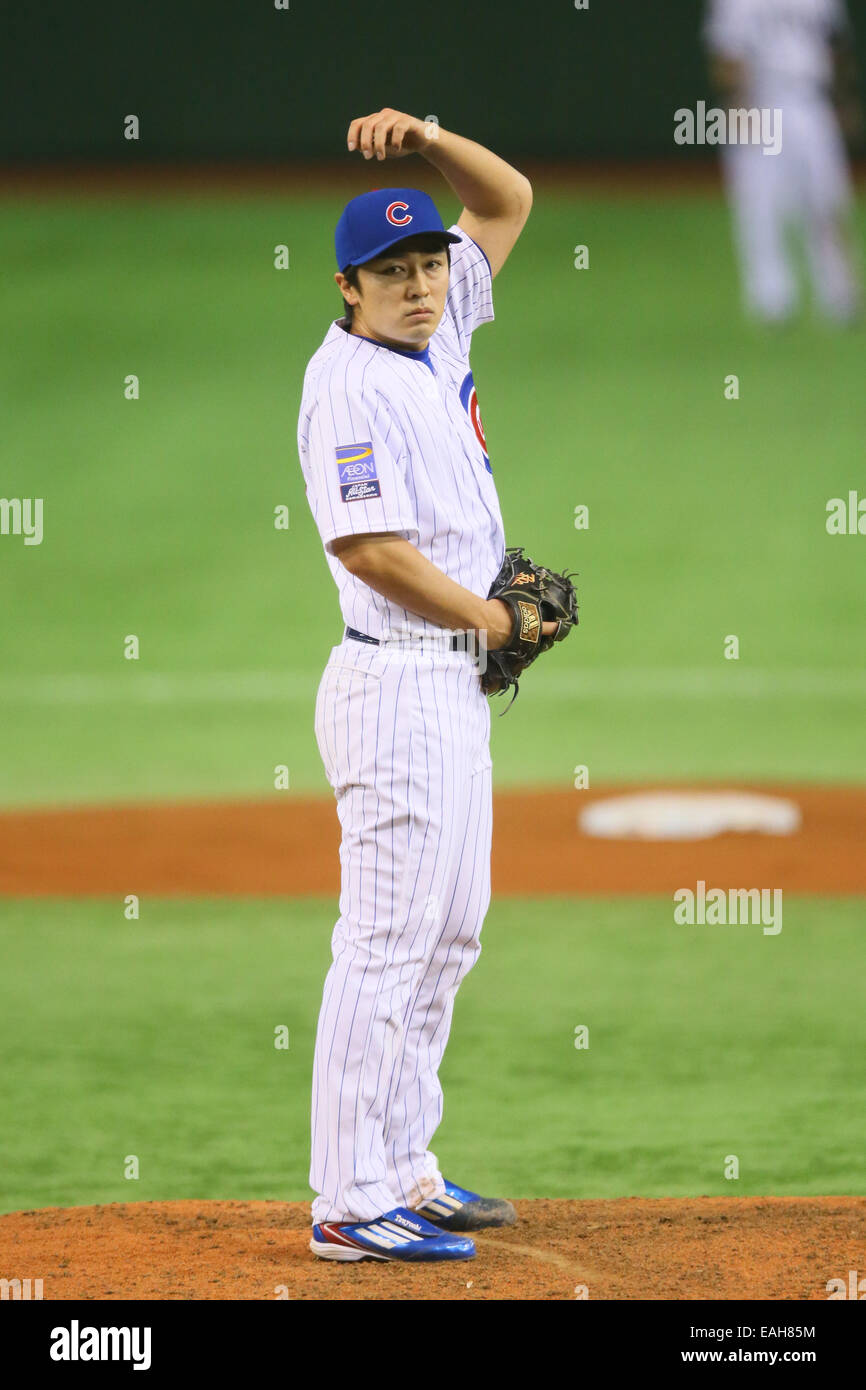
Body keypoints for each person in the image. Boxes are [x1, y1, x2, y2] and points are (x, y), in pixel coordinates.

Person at [296, 108, 550, 1263]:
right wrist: (494, 616)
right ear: (348, 288)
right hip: (395, 683)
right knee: (388, 940)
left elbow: (505, 203)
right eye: (389, 273)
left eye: (425, 265)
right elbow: (372, 552)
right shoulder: (347, 385)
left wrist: (433, 136)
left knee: (449, 935)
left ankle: (405, 1166)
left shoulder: (436, 338)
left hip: (445, 690)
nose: (416, 284)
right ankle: (347, 1200)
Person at [704, 0, 863, 323]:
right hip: (759, 101)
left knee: (827, 198)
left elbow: (836, 45)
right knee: (760, 205)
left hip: (810, 100)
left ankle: (839, 293)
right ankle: (771, 297)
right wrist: (736, 103)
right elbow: (725, 52)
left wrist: (844, 100)